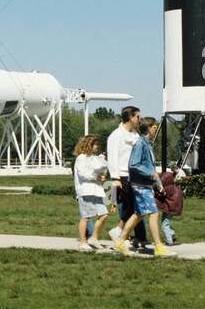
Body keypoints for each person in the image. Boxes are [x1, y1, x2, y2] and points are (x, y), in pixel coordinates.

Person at [114, 117, 175, 256]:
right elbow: (134, 165)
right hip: (140, 185)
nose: (156, 129)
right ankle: (158, 246)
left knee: (139, 214)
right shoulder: (140, 144)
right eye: (154, 127)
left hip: (145, 184)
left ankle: (120, 241)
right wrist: (151, 175)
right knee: (153, 213)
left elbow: (151, 168)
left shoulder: (147, 144)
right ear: (148, 128)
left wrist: (157, 183)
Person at [107, 106, 141, 248]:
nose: (139, 119)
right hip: (122, 175)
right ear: (130, 117)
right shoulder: (116, 135)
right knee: (127, 208)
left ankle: (123, 234)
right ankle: (121, 234)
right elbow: (112, 156)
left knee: (135, 207)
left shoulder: (135, 135)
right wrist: (115, 178)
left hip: (134, 175)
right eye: (137, 116)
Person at [72, 135, 111, 250]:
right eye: (95, 144)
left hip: (97, 190)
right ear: (89, 144)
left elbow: (101, 168)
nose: (97, 146)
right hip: (85, 190)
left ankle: (93, 238)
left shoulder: (94, 157)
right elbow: (83, 174)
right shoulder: (81, 158)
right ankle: (82, 242)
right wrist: (96, 176)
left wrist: (102, 175)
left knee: (103, 214)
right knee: (85, 217)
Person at [158, 164, 184, 245]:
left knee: (163, 225)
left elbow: (161, 195)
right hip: (175, 207)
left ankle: (169, 241)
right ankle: (172, 234)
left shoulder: (167, 188)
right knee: (166, 222)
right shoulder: (174, 187)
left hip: (170, 207)